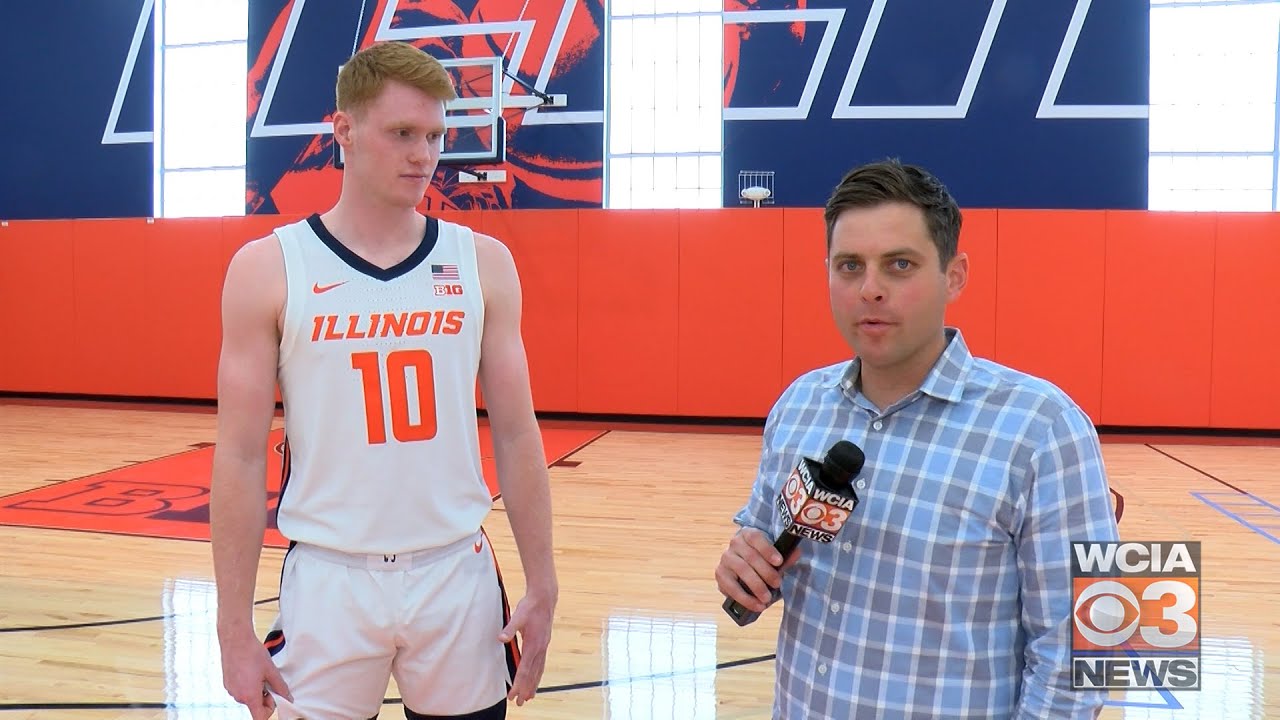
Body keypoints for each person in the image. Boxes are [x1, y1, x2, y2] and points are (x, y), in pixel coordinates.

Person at [211, 41, 557, 720]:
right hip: (329, 580)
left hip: (455, 571)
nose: (423, 154)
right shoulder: (268, 268)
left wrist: (543, 583)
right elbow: (242, 456)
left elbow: (517, 436)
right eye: (402, 133)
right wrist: (230, 627)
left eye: (434, 136)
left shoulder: (483, 263)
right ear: (343, 131)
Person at [714, 159, 1119, 719]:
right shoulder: (798, 404)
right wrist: (746, 564)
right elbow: (762, 541)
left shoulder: (1047, 426)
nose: (870, 290)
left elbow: (1090, 653)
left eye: (899, 265)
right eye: (849, 266)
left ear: (954, 275)